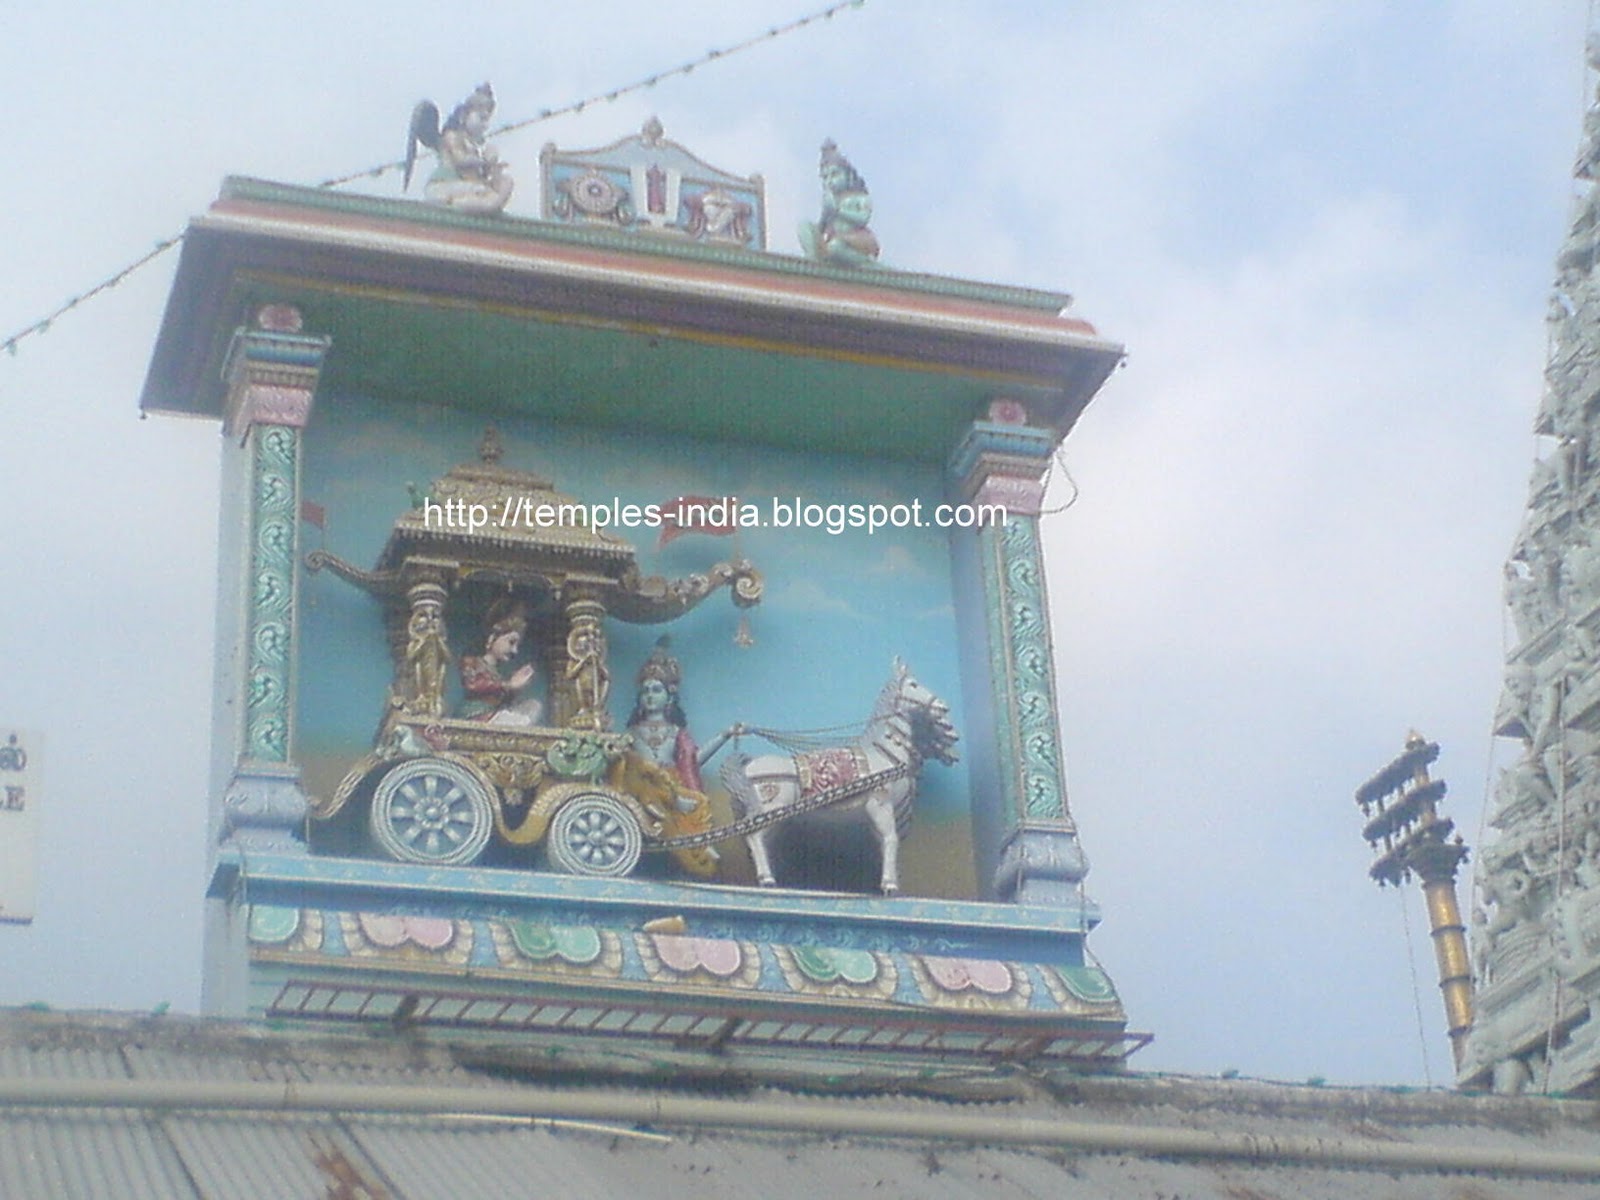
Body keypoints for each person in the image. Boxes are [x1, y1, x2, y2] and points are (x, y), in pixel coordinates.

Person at [457, 601, 542, 725]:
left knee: (533, 706)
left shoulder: (498, 674)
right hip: (476, 714)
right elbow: (472, 684)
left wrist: (515, 689)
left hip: (495, 714)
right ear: (492, 638)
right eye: (511, 642)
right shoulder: (471, 662)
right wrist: (508, 685)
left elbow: (503, 703)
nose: (514, 651)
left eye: (517, 645)